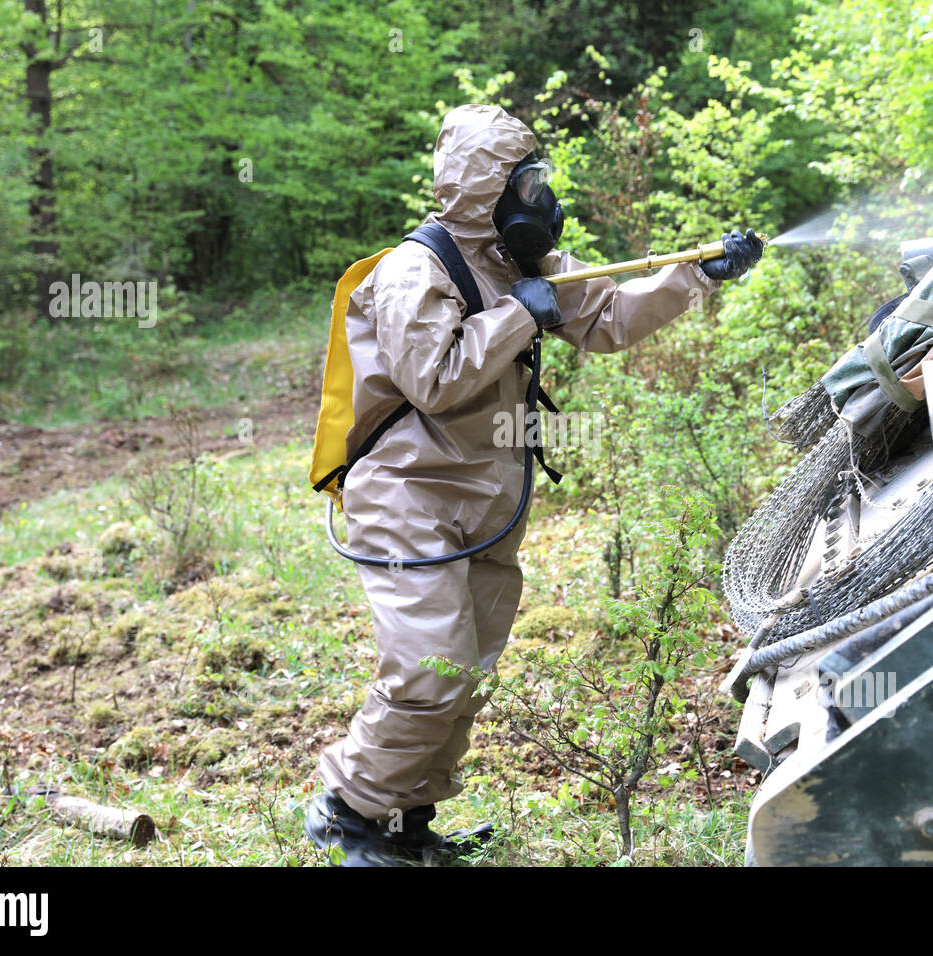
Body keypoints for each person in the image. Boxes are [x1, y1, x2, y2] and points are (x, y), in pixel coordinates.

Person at [305, 103, 763, 865]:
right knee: (427, 664)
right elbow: (436, 378)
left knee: (468, 666)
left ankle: (408, 823)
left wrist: (695, 276)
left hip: (483, 498)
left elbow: (608, 316)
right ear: (485, 187)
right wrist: (518, 317)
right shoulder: (414, 270)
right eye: (527, 184)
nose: (541, 200)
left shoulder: (519, 263)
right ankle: (348, 811)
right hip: (406, 496)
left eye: (539, 182)